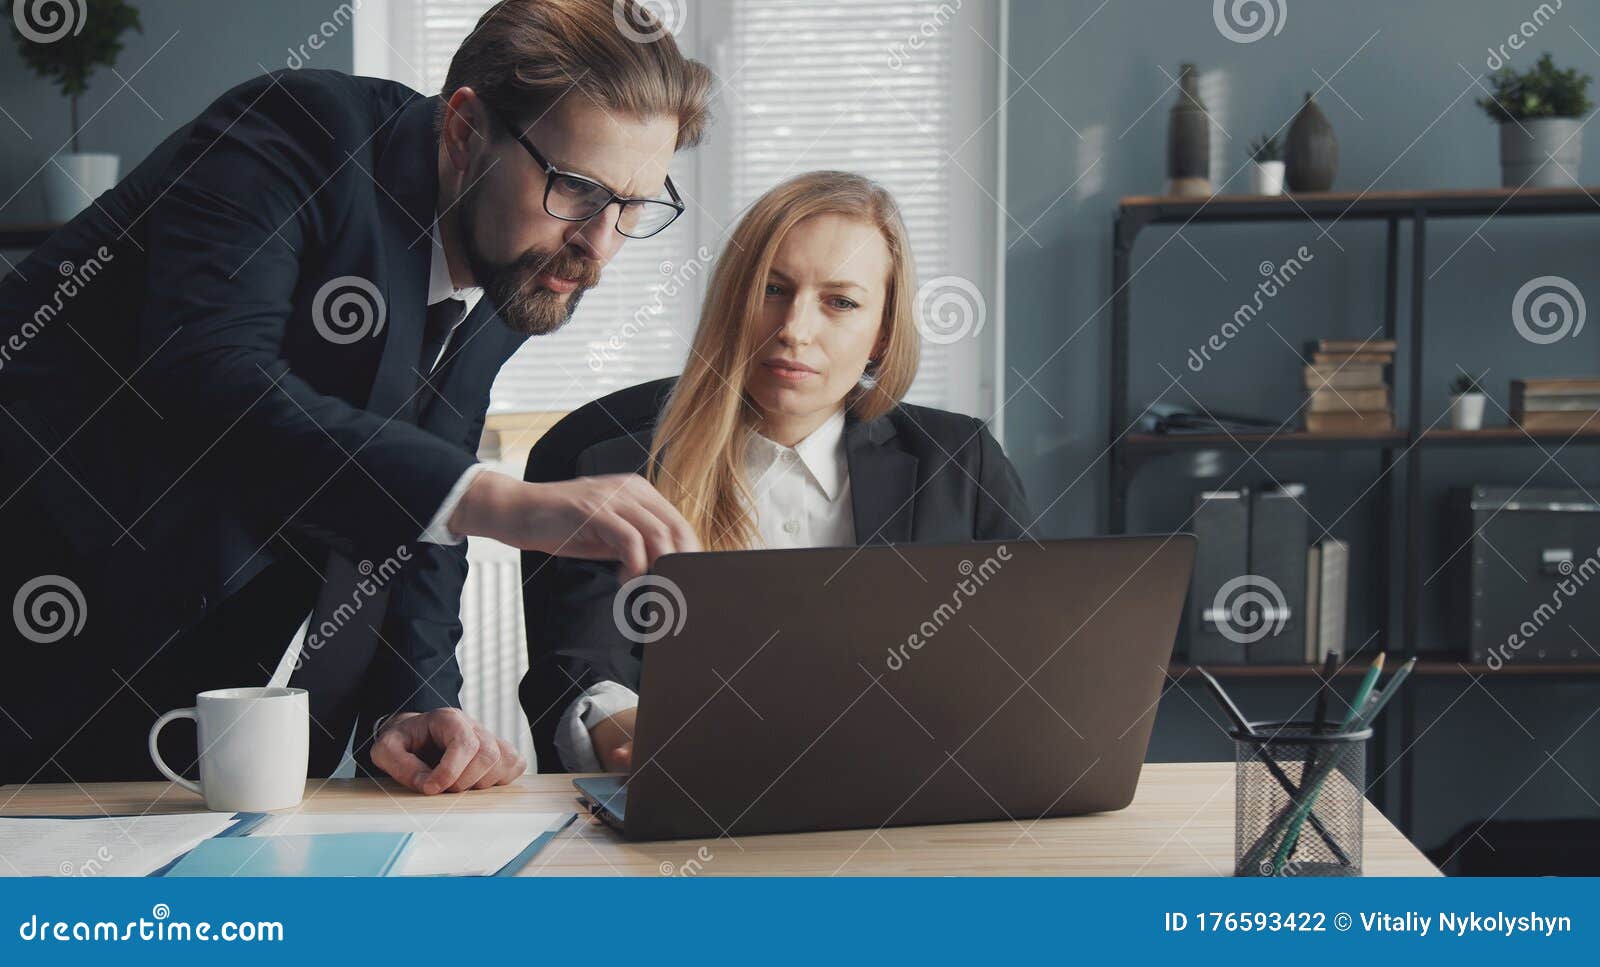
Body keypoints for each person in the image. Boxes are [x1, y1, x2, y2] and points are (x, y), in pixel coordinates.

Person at [0, 0, 710, 792]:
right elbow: (213, 378)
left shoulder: (524, 262)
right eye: (578, 189)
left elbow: (423, 513)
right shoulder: (300, 132)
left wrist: (413, 704)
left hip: (176, 721)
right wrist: (507, 503)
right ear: (465, 131)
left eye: (634, 205)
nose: (600, 244)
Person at [520, 171, 1034, 772]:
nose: (794, 329)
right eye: (772, 288)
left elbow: (1025, 660)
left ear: (883, 333)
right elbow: (583, 665)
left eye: (840, 302)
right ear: (732, 300)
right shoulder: (606, 458)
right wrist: (626, 732)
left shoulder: (960, 461)